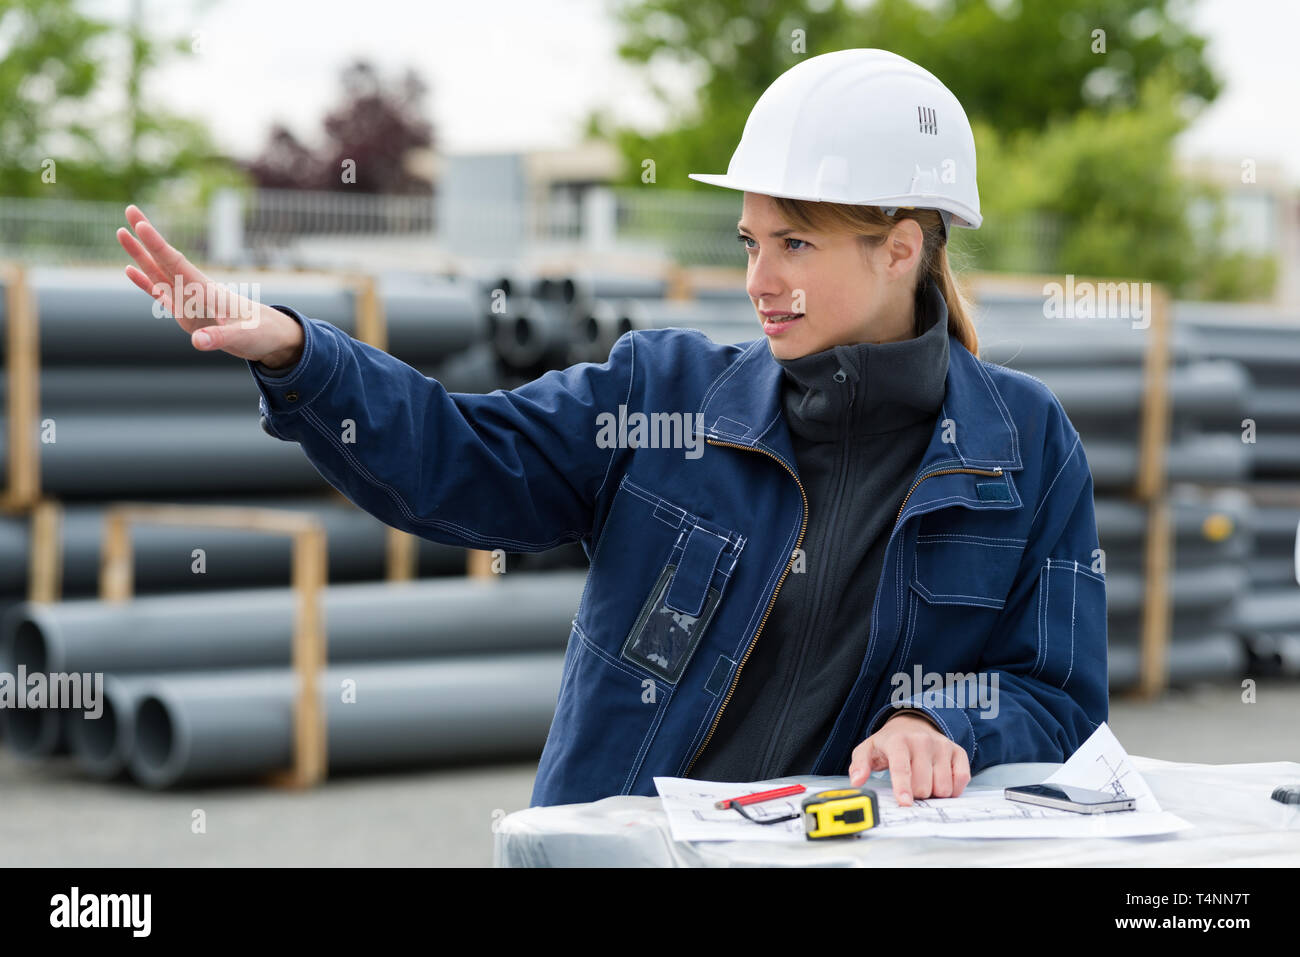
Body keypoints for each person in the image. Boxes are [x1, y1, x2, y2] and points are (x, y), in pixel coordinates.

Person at [117, 48, 1106, 810]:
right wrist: (300, 354)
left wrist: (940, 717)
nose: (758, 280)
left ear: (898, 250)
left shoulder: (1025, 446)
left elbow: (1059, 695)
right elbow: (459, 461)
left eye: (794, 244)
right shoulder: (662, 394)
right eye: (751, 241)